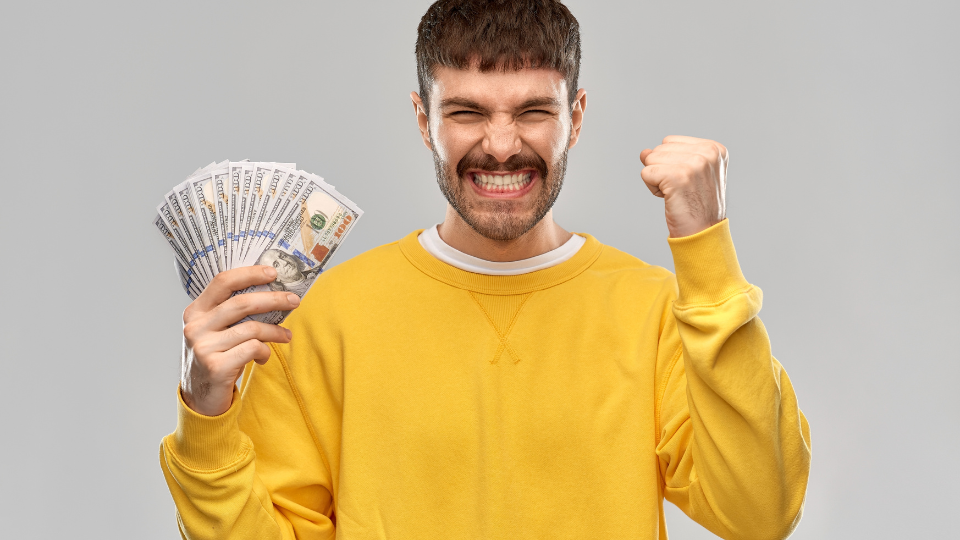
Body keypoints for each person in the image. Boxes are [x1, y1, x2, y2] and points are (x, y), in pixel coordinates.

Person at [160, 1, 812, 539]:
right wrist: (207, 415)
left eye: (533, 111)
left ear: (576, 117)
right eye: (467, 112)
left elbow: (759, 511)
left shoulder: (658, 312)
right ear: (423, 121)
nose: (501, 145)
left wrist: (707, 253)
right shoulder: (331, 318)